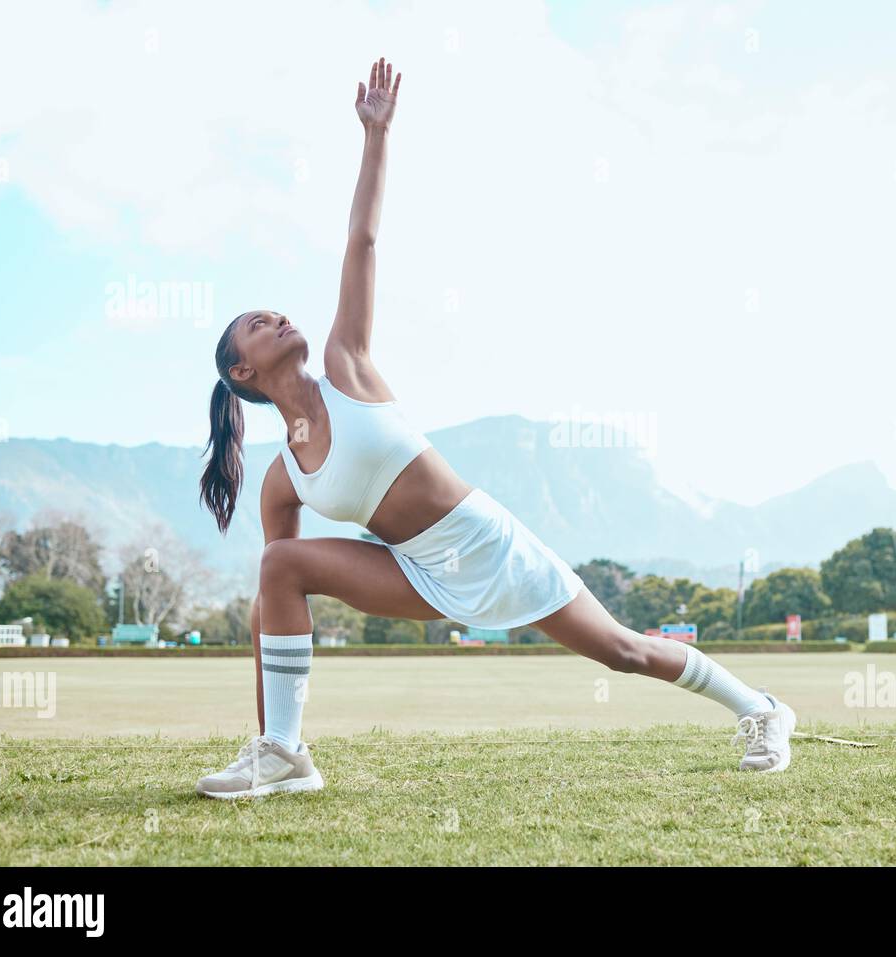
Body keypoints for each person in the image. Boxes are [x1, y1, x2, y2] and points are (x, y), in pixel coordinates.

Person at [194, 58, 795, 800]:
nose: (276, 316)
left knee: (621, 650)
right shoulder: (283, 477)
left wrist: (375, 136)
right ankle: (283, 753)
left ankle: (763, 709)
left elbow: (363, 243)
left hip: (487, 543)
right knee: (279, 566)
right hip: (413, 569)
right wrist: (264, 720)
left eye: (273, 310)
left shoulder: (347, 364)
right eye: (256, 325)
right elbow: (271, 612)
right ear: (242, 372)